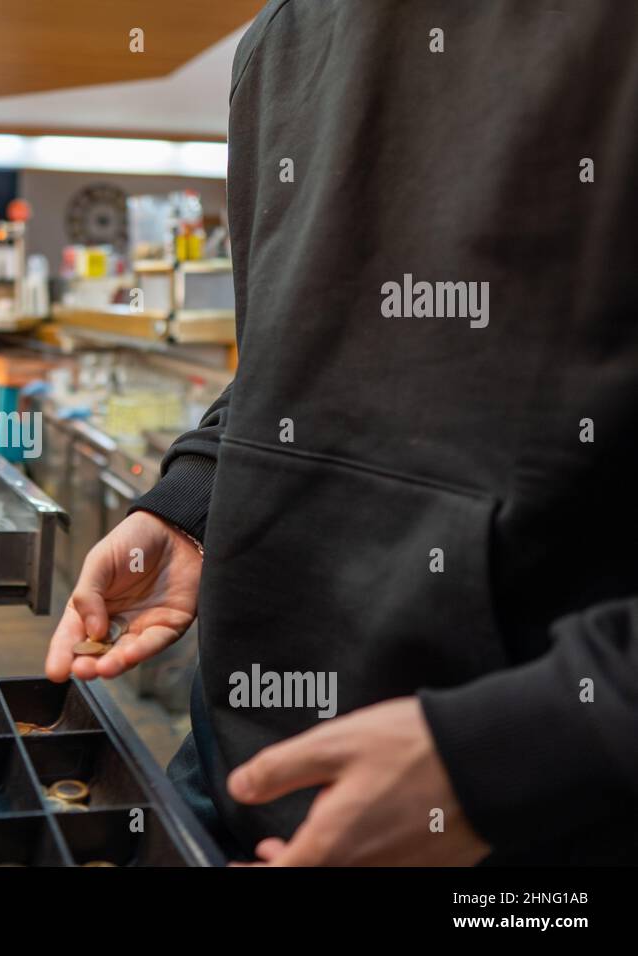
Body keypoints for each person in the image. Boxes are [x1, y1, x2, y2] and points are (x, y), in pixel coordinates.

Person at [47, 0, 638, 865]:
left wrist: (520, 750)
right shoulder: (282, 36)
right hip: (238, 774)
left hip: (523, 827)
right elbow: (296, 353)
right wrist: (201, 497)